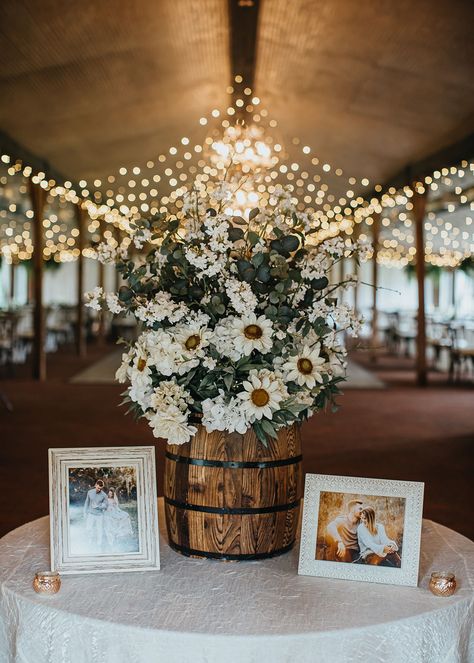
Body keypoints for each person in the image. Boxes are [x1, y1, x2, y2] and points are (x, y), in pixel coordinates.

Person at [83, 479, 108, 551]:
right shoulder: (90, 492)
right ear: (95, 485)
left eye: (100, 488)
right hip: (91, 514)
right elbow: (86, 503)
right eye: (98, 488)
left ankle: (99, 544)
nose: (99, 489)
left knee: (99, 529)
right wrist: (84, 512)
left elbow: (106, 505)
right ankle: (89, 541)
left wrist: (98, 506)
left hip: (99, 515)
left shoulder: (104, 495)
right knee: (88, 528)